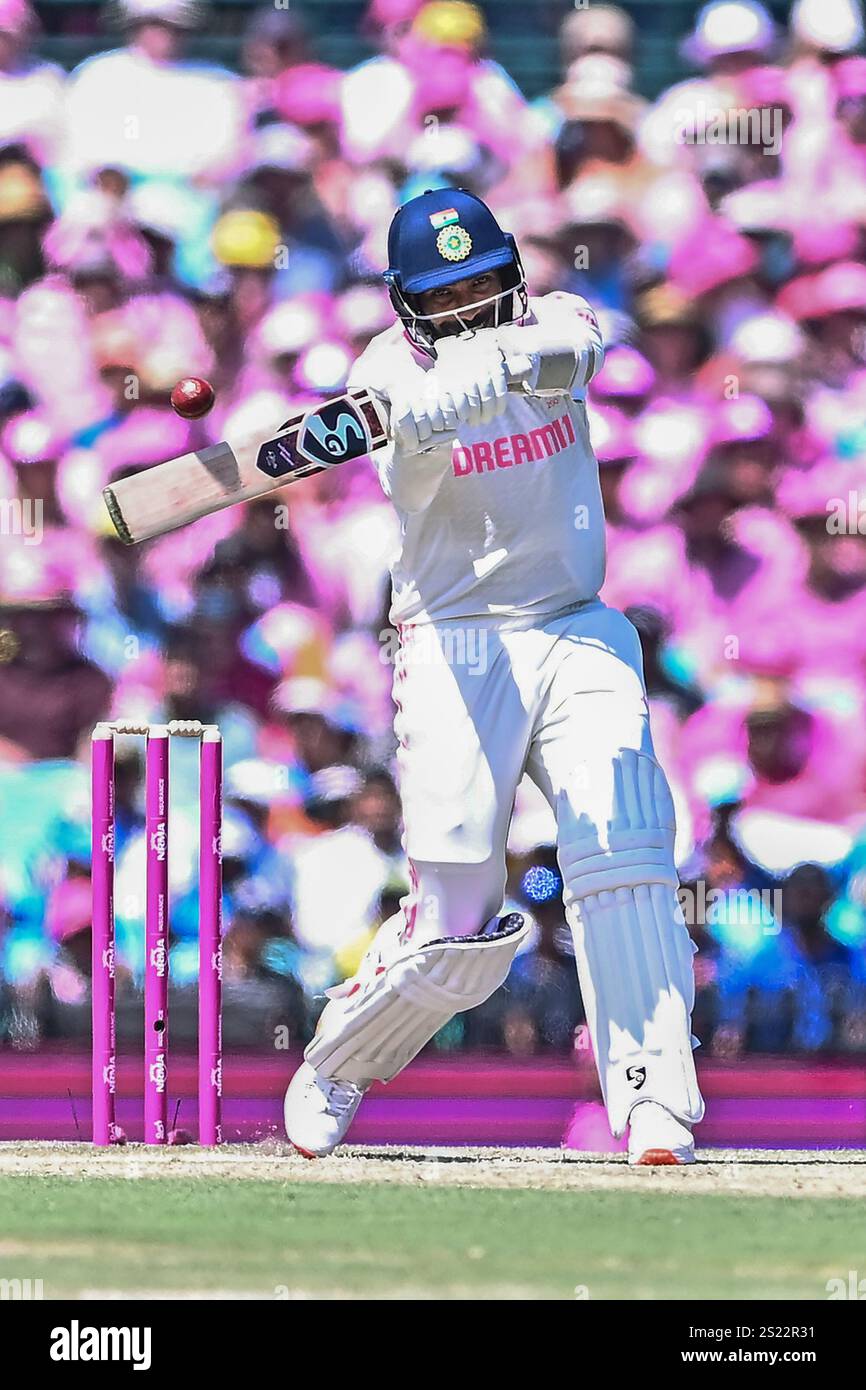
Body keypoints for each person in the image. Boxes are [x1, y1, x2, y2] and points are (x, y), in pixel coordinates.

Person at [277, 187, 704, 1165]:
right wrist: (426, 408)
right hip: (454, 639)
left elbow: (572, 354)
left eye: (483, 283)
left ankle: (650, 1097)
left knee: (622, 843)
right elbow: (410, 415)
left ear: (512, 270)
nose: (468, 304)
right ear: (403, 302)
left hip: (573, 621)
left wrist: (492, 363)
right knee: (457, 915)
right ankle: (339, 1056)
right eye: (445, 294)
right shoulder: (382, 375)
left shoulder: (554, 319)